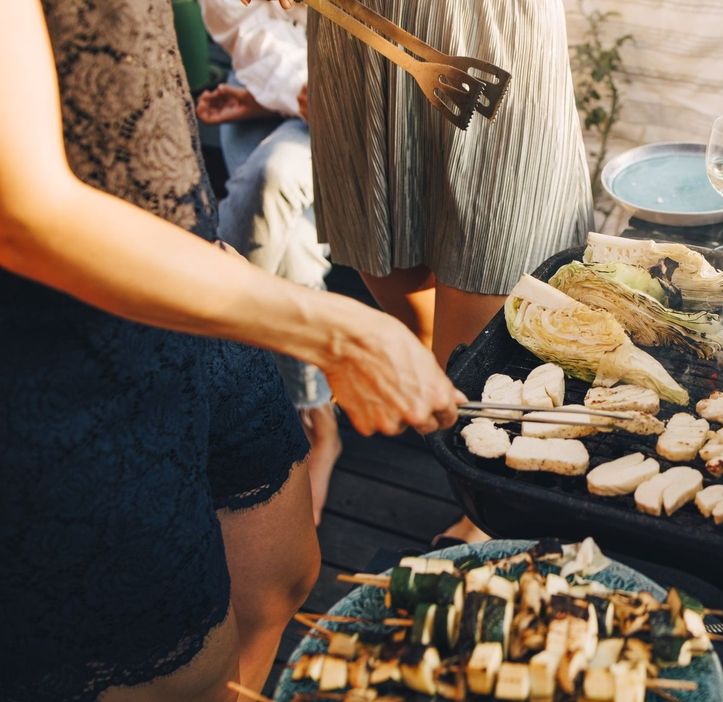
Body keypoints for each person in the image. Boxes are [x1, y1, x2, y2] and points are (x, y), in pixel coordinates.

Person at [0, 1, 460, 700]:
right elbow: (23, 213)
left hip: (192, 264)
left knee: (277, 580)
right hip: (64, 350)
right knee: (185, 676)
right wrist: (336, 330)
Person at [308, 0, 594, 543]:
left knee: (478, 337)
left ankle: (487, 510)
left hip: (490, 34)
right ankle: (437, 411)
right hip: (355, 34)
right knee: (397, 281)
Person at [198, 0, 341, 524]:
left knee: (272, 177)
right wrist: (274, 100)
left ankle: (217, 364)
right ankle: (316, 424)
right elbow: (252, 39)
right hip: (273, 92)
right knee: (296, 251)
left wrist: (264, 102)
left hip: (354, 112)